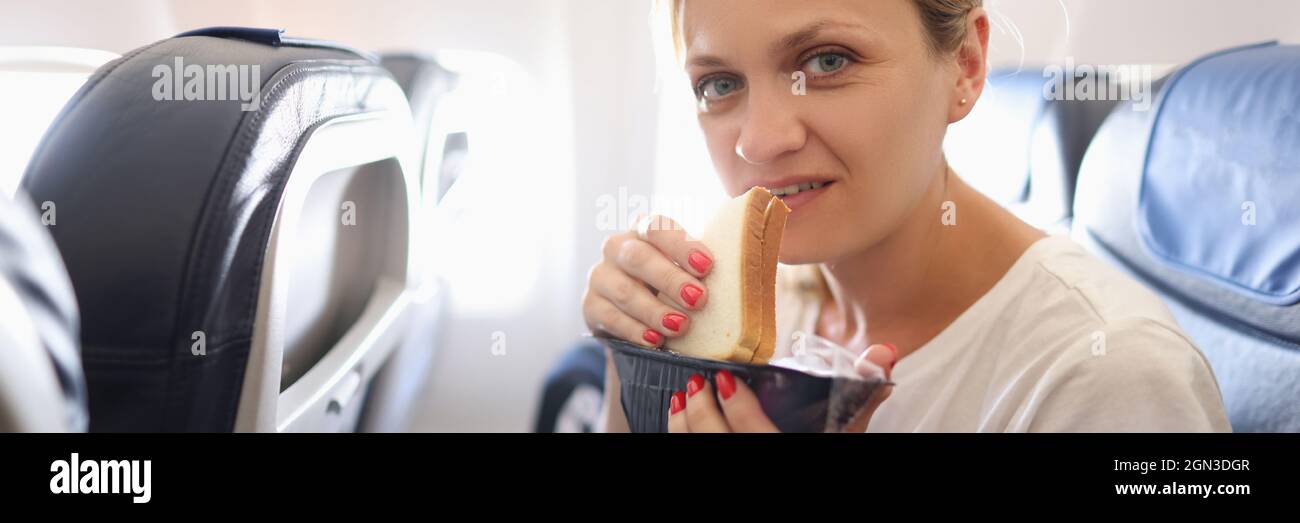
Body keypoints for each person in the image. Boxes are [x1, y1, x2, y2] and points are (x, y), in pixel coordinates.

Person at [583, 0, 1230, 432]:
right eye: (719, 84)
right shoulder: (748, 304)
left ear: (966, 68)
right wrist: (635, 368)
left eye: (828, 61)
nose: (759, 140)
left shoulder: (1108, 374)